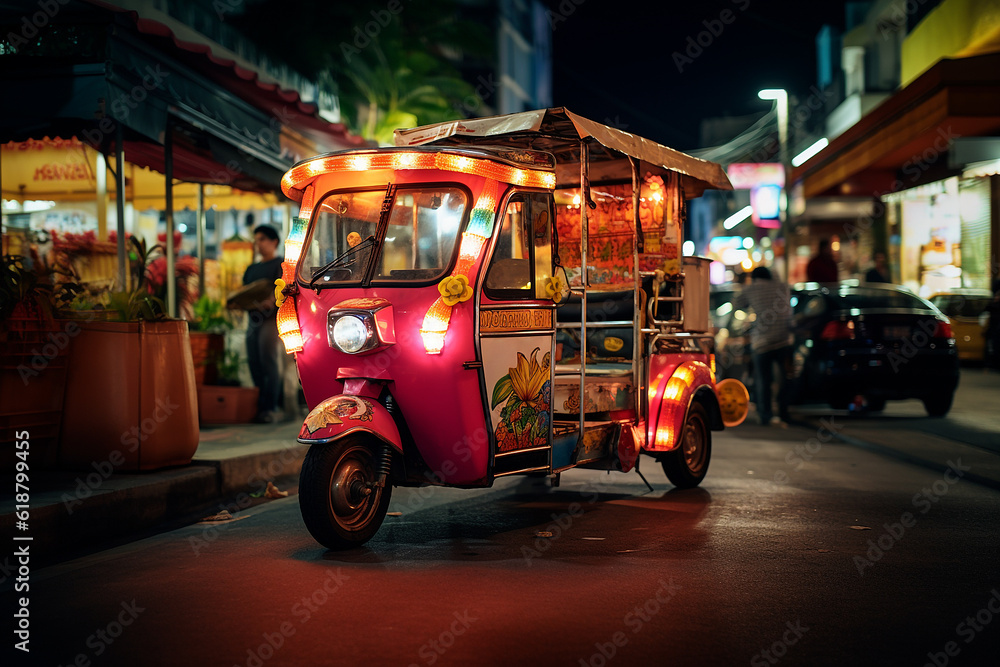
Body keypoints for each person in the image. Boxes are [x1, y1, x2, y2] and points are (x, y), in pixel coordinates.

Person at [732, 266, 793, 426]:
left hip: (762, 342)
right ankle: (785, 413)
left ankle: (765, 415)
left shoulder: (751, 288)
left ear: (754, 277)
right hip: (784, 339)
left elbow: (737, 304)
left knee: (764, 380)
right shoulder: (782, 286)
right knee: (785, 379)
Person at [243, 225, 284, 423]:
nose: (257, 244)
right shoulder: (252, 269)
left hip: (270, 319)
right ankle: (259, 404)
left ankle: (270, 407)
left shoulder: (281, 264)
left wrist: (271, 301)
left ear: (273, 241)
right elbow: (243, 293)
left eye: (262, 239)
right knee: (253, 361)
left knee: (268, 360)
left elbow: (286, 289)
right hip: (253, 319)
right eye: (256, 240)